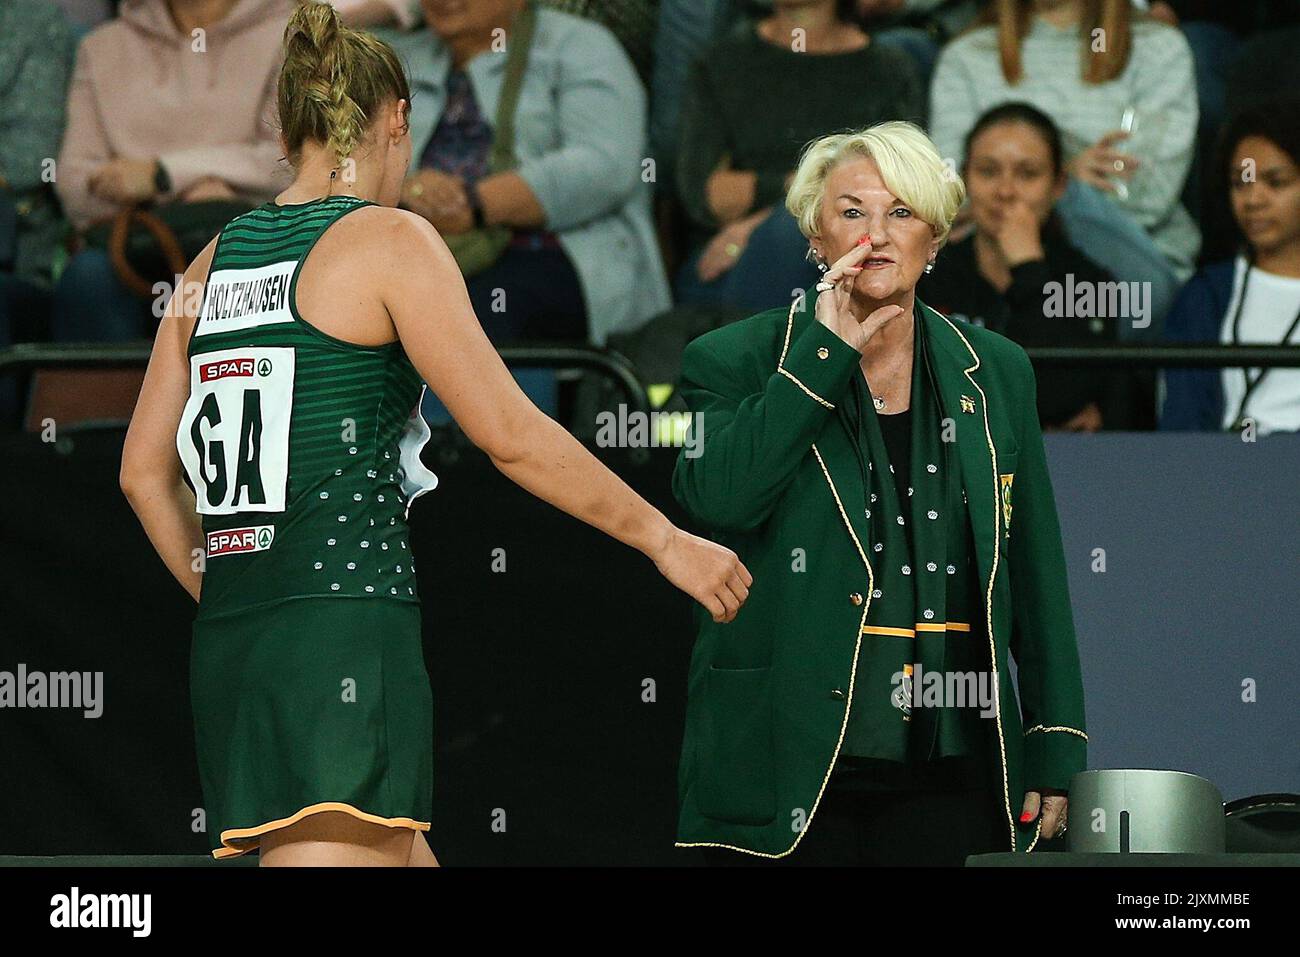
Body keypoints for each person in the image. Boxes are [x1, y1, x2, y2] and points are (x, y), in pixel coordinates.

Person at [119, 0, 751, 866]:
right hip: (344, 631)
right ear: (396, 123)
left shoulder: (209, 259)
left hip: (238, 646)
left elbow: (143, 474)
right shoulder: (389, 239)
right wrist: (663, 538)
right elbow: (511, 434)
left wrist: (230, 586)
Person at [671, 121, 1087, 864]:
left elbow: (1036, 570)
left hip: (951, 756)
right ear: (815, 236)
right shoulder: (730, 358)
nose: (877, 235)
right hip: (788, 753)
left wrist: (1055, 743)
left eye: (901, 212)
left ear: (936, 236)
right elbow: (719, 499)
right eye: (852, 212)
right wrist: (820, 360)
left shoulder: (996, 371)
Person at [386, 0, 669, 348]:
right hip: (418, 251)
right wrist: (409, 189)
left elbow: (606, 163)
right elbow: (352, 153)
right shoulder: (396, 57)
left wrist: (475, 203)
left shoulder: (579, 46)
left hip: (551, 249)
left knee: (474, 311)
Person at [929, 0, 1199, 338]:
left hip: (1126, 259)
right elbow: (946, 193)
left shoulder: (1156, 49)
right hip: (987, 256)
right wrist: (1060, 172)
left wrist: (1061, 188)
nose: (1008, 187)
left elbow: (1148, 195)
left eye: (1032, 173)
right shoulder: (968, 55)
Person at [52, 0, 295, 342]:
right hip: (133, 243)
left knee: (248, 269)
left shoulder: (290, 38)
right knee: (88, 277)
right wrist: (197, 189)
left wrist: (161, 175)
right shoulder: (101, 47)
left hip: (247, 240)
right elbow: (74, 184)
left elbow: (291, 160)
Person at [674, 0, 925, 314]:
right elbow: (705, 196)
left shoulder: (890, 70)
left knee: (788, 236)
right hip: (727, 259)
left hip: (862, 245)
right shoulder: (722, 63)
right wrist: (807, 188)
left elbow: (903, 184)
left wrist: (759, 224)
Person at [919, 103, 1119, 431]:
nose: (1006, 191)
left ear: (1058, 185)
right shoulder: (929, 276)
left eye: (1028, 174)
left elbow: (1059, 398)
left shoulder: (1090, 284)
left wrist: (1028, 269)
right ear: (964, 177)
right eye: (988, 171)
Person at [1161, 100, 1300, 434]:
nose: (1253, 200)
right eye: (1240, 183)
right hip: (1220, 476)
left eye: (1276, 182)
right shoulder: (1204, 295)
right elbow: (1182, 425)